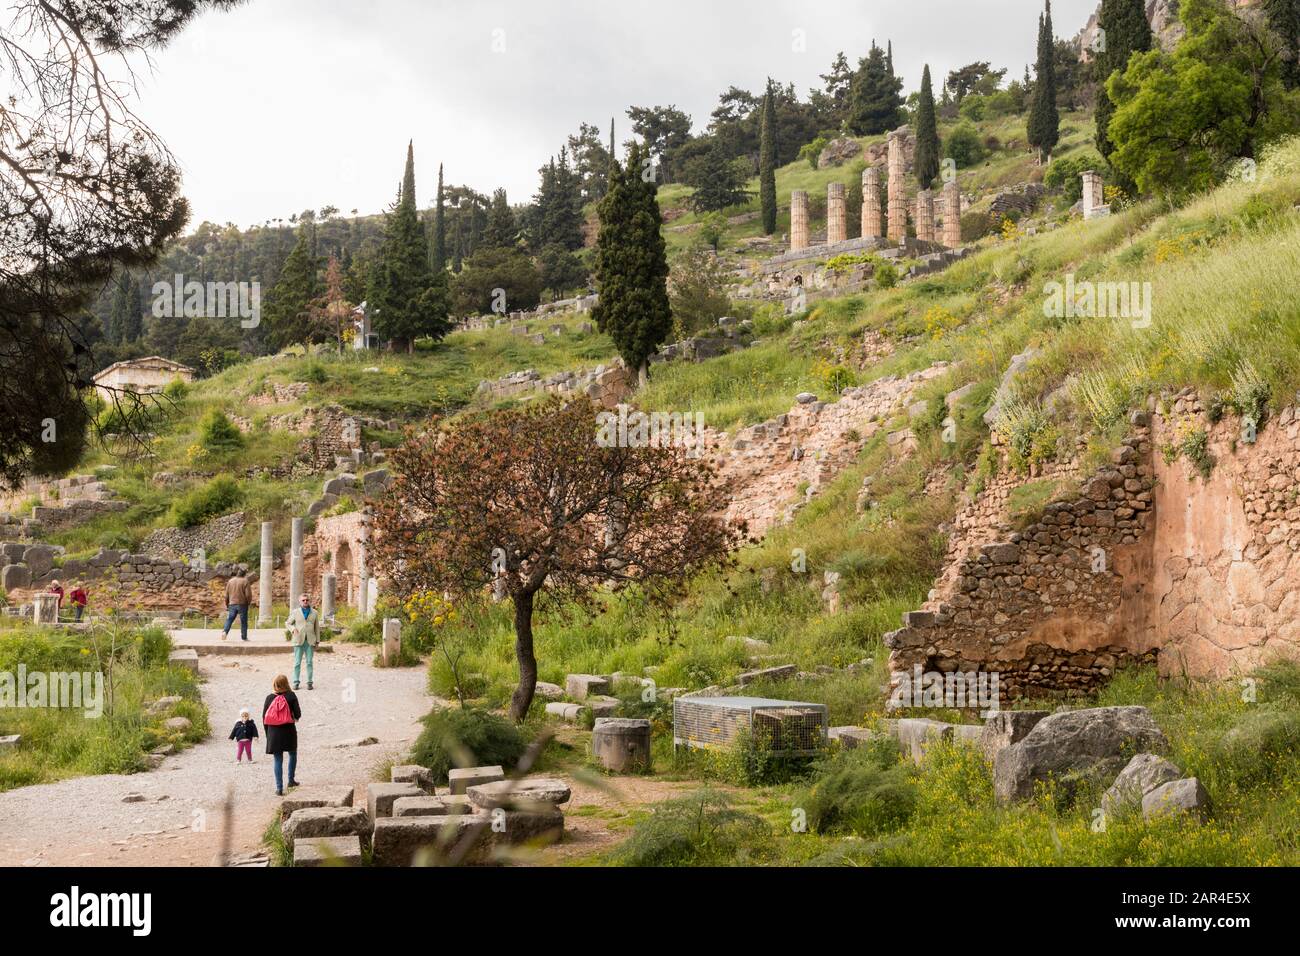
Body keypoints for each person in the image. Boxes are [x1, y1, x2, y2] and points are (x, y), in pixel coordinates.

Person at [262, 675, 301, 796]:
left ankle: (279, 788)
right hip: (289, 730)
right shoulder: (291, 695)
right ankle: (291, 780)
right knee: (292, 754)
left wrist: (268, 735)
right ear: (287, 683)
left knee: (278, 759)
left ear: (275, 684)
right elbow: (298, 714)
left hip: (274, 733)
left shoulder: (269, 698)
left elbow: (264, 717)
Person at [285, 592, 320, 691]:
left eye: (307, 600)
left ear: (309, 601)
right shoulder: (295, 612)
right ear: (300, 602)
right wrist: (292, 629)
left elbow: (317, 627)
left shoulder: (314, 612)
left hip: (310, 640)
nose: (305, 602)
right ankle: (296, 682)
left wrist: (317, 641)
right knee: (297, 663)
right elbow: (288, 623)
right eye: (303, 600)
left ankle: (309, 682)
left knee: (309, 662)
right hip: (298, 640)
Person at [222, 571, 253, 642]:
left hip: (232, 604)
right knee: (243, 621)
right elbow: (248, 595)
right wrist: (248, 603)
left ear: (237, 574)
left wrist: (227, 604)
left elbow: (226, 595)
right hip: (242, 604)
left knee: (230, 619)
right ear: (244, 575)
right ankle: (244, 637)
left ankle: (225, 632)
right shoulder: (245, 581)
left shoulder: (230, 581)